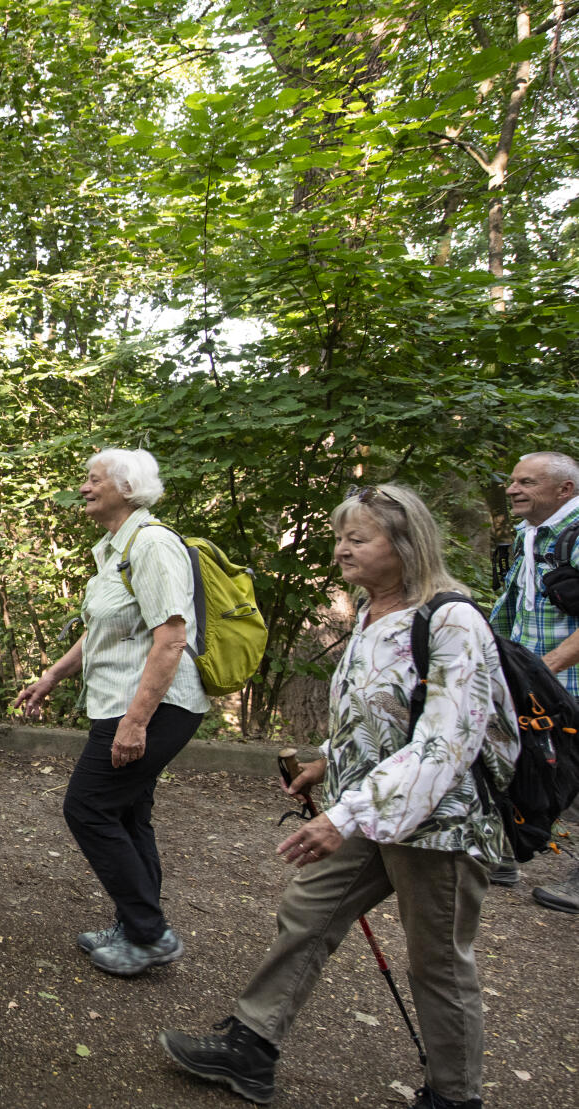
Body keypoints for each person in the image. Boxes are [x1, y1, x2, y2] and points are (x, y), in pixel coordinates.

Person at [161, 484, 517, 1109]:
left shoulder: (452, 618)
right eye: (339, 538)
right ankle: (251, 1045)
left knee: (436, 961)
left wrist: (344, 814)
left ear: (406, 545)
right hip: (364, 813)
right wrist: (328, 759)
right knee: (307, 911)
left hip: (440, 825)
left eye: (358, 539)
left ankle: (455, 1096)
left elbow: (446, 743)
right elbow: (377, 716)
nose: (341, 550)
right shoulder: (368, 612)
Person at [16, 448, 209, 977]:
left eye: (93, 479)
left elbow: (171, 638)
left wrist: (136, 720)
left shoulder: (152, 545)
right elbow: (105, 627)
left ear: (126, 488)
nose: (83, 486)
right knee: (127, 812)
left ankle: (150, 934)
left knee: (88, 807)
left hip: (155, 706)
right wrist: (53, 675)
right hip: (123, 703)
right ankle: (135, 924)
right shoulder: (114, 549)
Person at [489, 451, 579, 909]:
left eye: (526, 482)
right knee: (514, 755)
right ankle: (503, 852)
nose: (512, 490)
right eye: (512, 481)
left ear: (565, 489)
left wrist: (545, 671)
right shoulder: (529, 535)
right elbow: (515, 608)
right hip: (538, 679)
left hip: (565, 677)